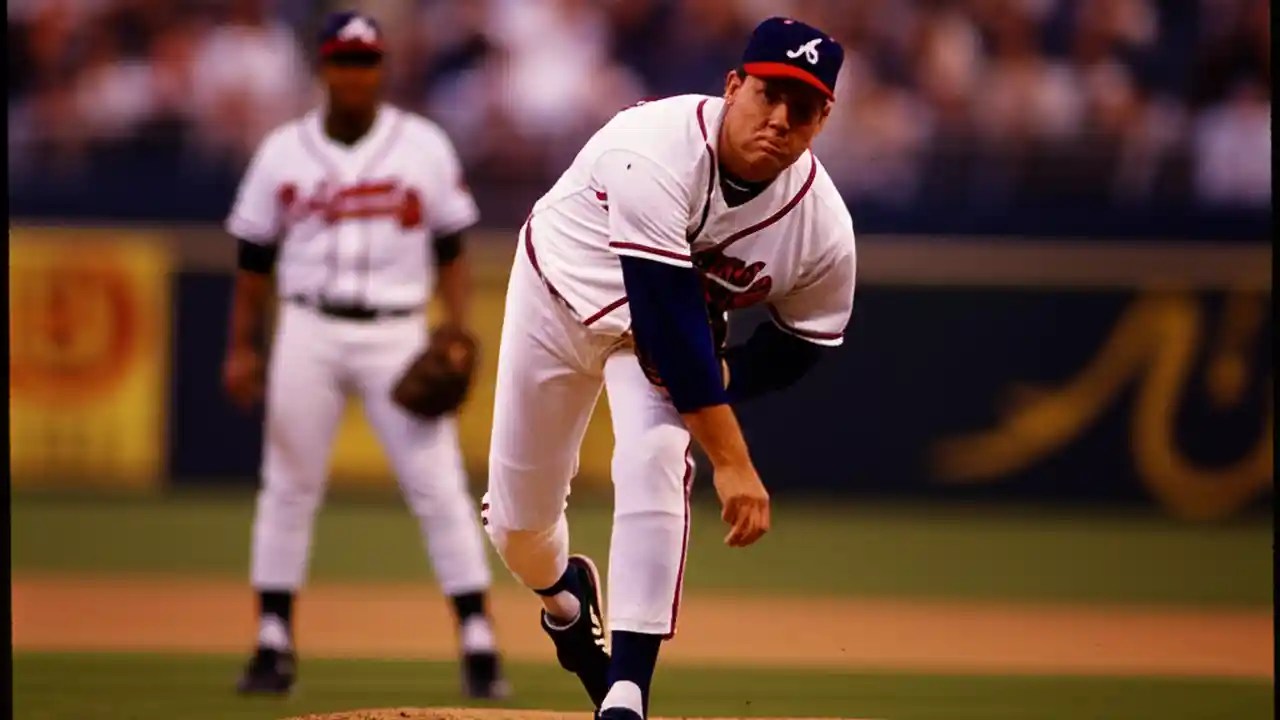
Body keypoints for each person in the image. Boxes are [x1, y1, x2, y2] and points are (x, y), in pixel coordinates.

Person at [481, 17, 855, 719]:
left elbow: (808, 340)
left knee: (654, 456)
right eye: (767, 94)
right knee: (518, 532)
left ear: (823, 118)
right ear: (733, 85)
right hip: (556, 293)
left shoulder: (823, 228)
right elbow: (664, 313)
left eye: (801, 108)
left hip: (647, 345)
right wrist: (734, 458)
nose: (779, 119)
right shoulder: (653, 146)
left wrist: (725, 374)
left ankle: (627, 693)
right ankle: (566, 599)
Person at [221, 10, 507, 699]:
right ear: (324, 67)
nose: (356, 73)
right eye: (344, 61)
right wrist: (240, 346)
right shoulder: (282, 152)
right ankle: (272, 640)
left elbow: (452, 248)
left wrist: (455, 328)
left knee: (437, 484)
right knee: (289, 484)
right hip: (307, 329)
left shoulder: (424, 146)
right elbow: (254, 260)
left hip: (397, 330)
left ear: (381, 68)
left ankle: (478, 640)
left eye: (367, 61)